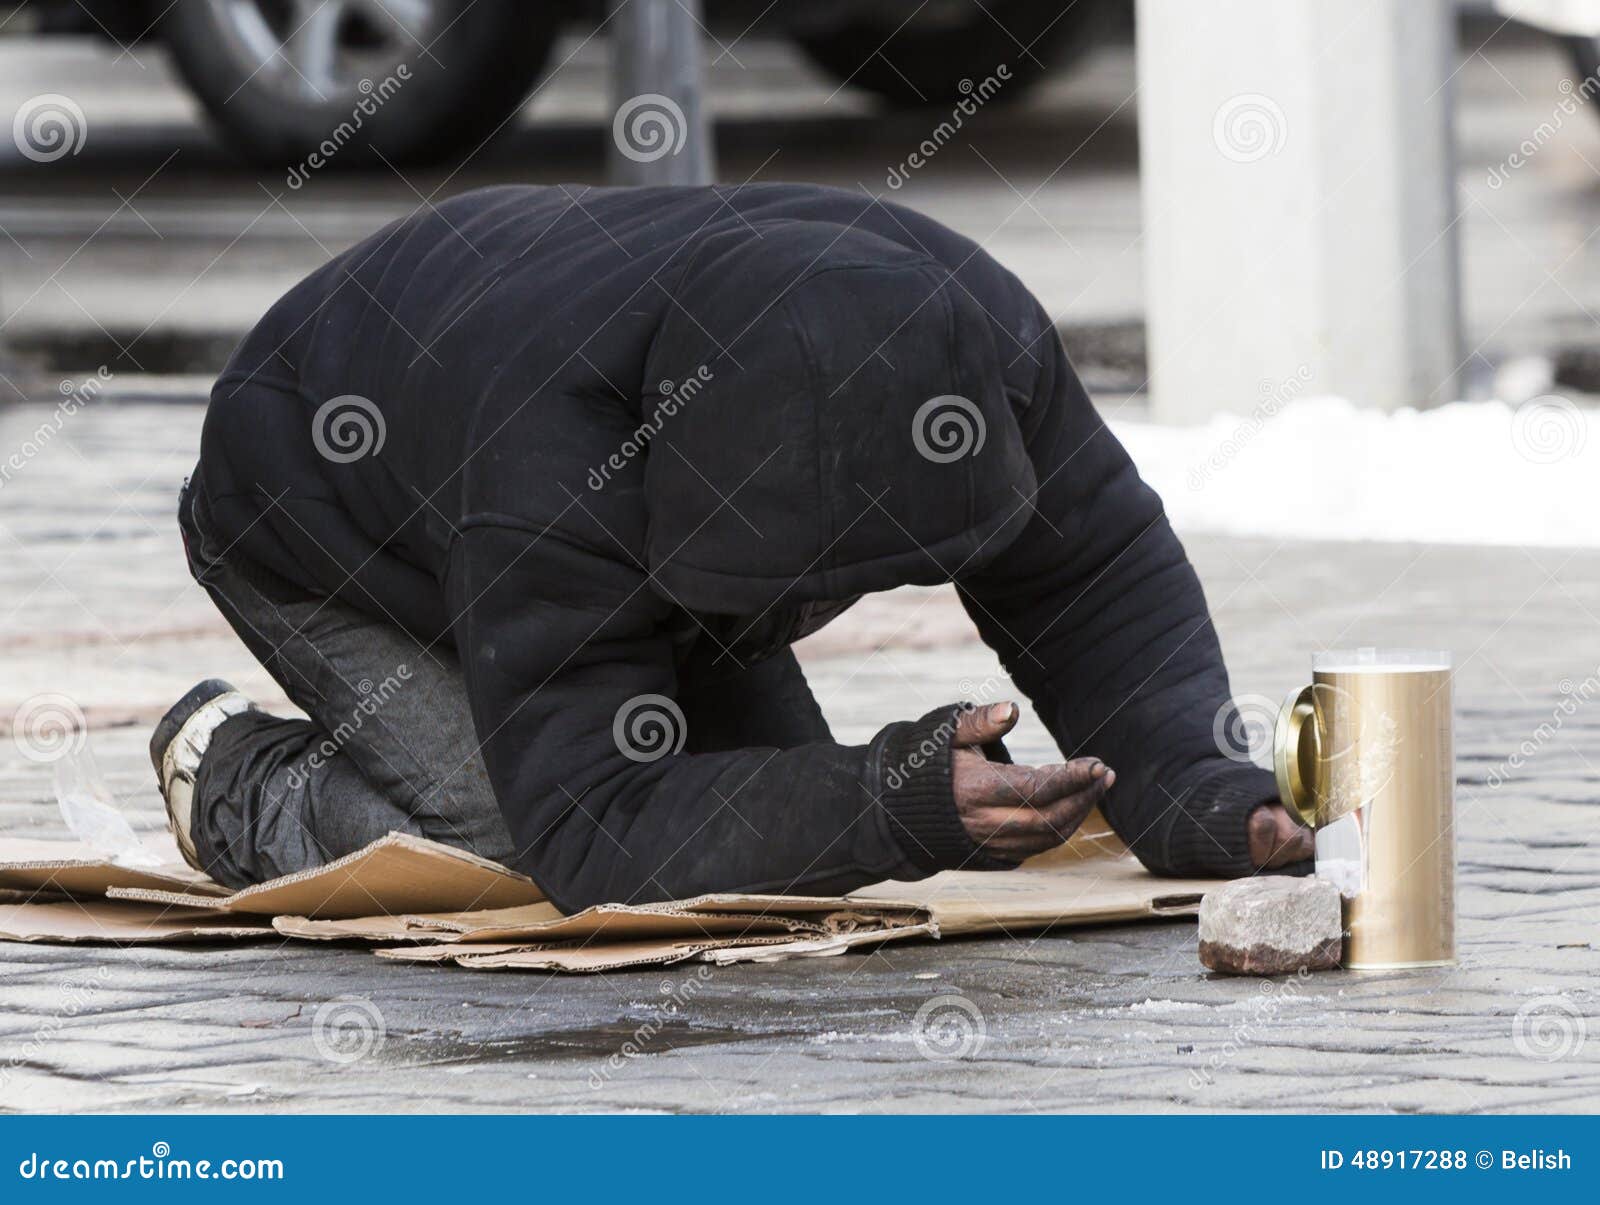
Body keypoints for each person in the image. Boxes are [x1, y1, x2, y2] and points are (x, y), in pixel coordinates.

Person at [153, 182, 1311, 914]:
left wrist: (1196, 790)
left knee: (765, 862)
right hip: (306, 501)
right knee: (503, 842)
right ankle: (241, 779)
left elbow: (1094, 576)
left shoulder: (962, 322)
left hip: (510, 427)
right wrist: (893, 801)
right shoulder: (553, 464)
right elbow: (590, 829)